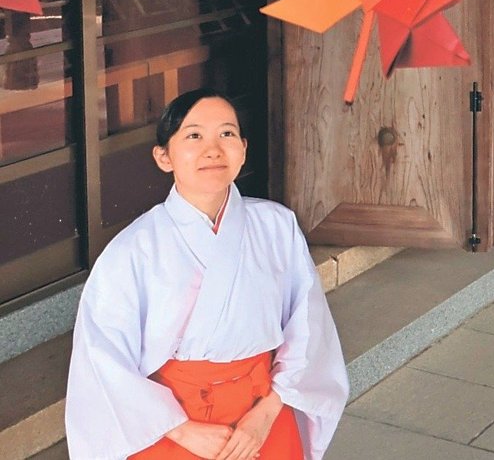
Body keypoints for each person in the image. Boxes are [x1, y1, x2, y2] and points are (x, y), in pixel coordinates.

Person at [65, 89, 349, 459]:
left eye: (227, 134)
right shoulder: (132, 249)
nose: (213, 149)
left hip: (261, 414)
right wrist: (183, 431)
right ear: (164, 156)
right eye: (194, 135)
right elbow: (102, 357)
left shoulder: (277, 225)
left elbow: (308, 327)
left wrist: (266, 413)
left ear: (244, 148)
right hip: (172, 424)